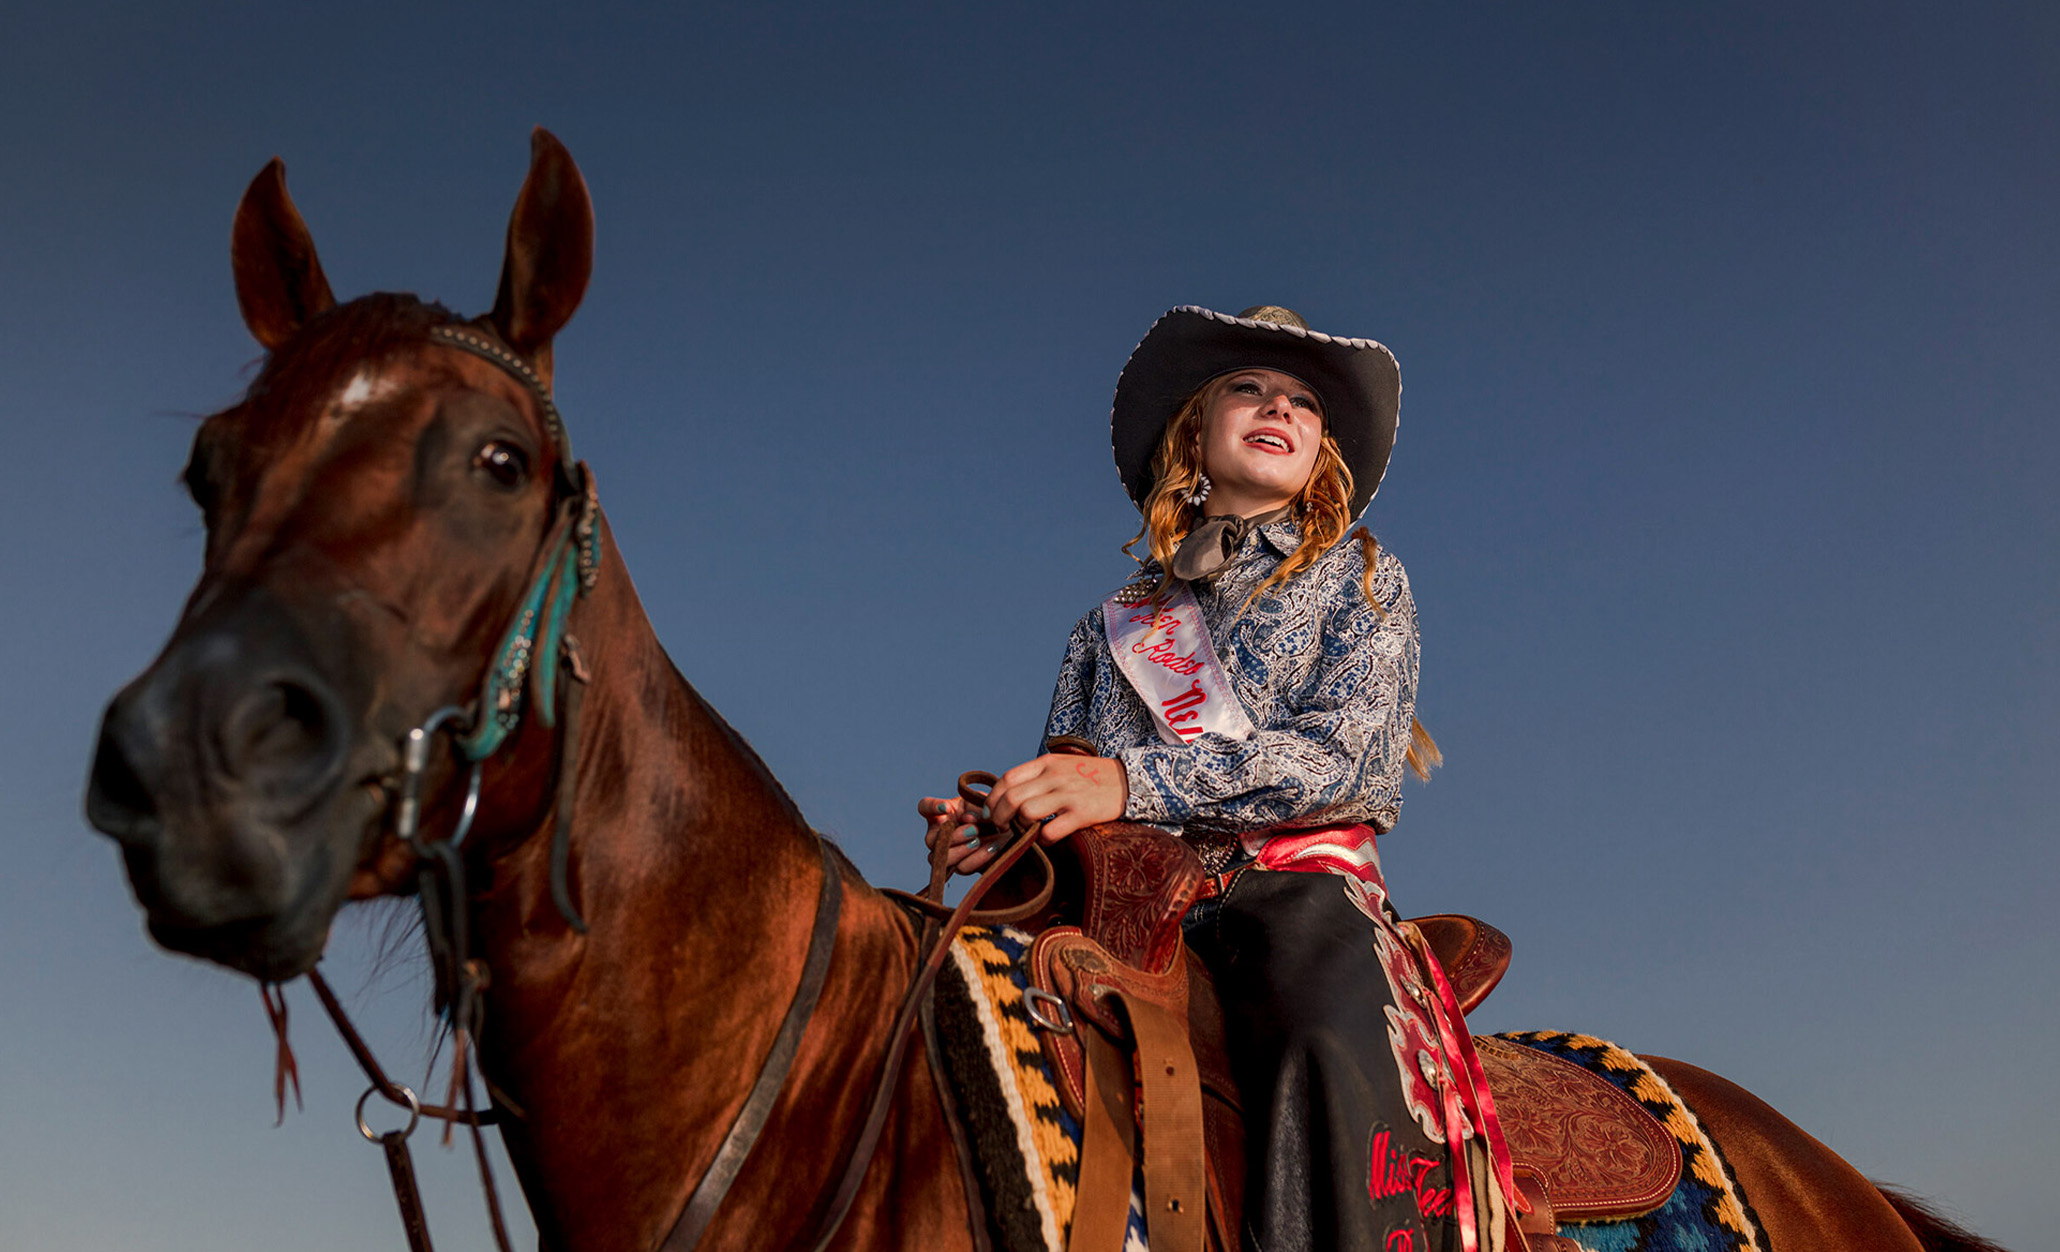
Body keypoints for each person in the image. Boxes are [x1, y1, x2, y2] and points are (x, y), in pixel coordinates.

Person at [920, 304, 1509, 1252]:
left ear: (1320, 453)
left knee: (1321, 1035)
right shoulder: (1108, 626)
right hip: (1125, 912)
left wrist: (1132, 786)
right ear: (1194, 431)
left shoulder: (1361, 578)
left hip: (1293, 894)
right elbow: (1077, 779)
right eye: (1248, 386)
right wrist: (1006, 829)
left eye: (1303, 401)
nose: (1278, 405)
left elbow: (1348, 762)